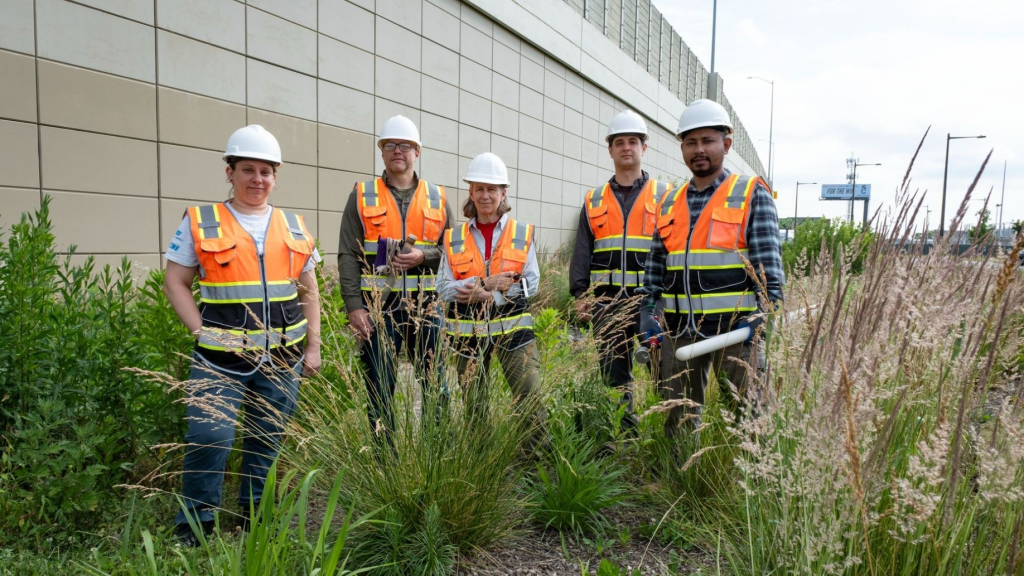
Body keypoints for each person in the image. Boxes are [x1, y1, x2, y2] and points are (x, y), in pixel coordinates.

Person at [163, 124, 322, 547]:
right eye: (248, 169)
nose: (258, 179)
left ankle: (255, 518)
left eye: (266, 171)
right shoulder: (202, 221)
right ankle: (195, 527)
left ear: (276, 176)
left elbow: (310, 290)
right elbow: (175, 281)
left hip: (283, 359)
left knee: (266, 441)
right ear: (229, 172)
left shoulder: (294, 225)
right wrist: (201, 330)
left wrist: (314, 346)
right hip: (220, 358)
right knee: (208, 437)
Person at [638, 99, 784, 438]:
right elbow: (656, 267)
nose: (698, 149)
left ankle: (755, 487)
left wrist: (762, 320)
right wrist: (648, 309)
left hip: (737, 333)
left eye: (707, 141)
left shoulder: (750, 193)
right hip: (679, 331)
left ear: (726, 144)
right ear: (682, 148)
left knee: (751, 420)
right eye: (691, 142)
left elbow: (770, 275)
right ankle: (678, 483)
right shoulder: (669, 201)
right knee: (678, 419)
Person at [336, 115, 454, 444]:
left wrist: (423, 256)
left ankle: (438, 453)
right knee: (379, 386)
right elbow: (347, 254)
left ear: (417, 152)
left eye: (405, 146)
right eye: (390, 145)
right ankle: (386, 460)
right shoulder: (362, 195)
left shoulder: (438, 197)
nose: (397, 151)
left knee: (436, 383)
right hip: (379, 309)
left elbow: (456, 253)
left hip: (428, 306)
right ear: (382, 152)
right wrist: (355, 307)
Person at [569, 110, 671, 434]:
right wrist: (579, 294)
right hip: (605, 302)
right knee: (614, 376)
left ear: (644, 147)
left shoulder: (665, 196)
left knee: (664, 370)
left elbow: (676, 250)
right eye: (619, 142)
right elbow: (582, 249)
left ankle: (669, 436)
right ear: (610, 149)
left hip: (652, 300)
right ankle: (624, 438)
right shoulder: (594, 199)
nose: (626, 147)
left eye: (633, 141)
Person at [437, 152, 545, 453]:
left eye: (492, 189)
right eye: (479, 189)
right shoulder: (453, 237)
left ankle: (534, 463)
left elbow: (532, 283)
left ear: (503, 193)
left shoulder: (521, 234)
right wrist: (481, 286)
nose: (486, 195)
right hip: (467, 334)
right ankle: (482, 463)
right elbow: (443, 289)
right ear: (471, 192)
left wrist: (496, 295)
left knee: (529, 397)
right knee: (475, 405)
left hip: (514, 332)